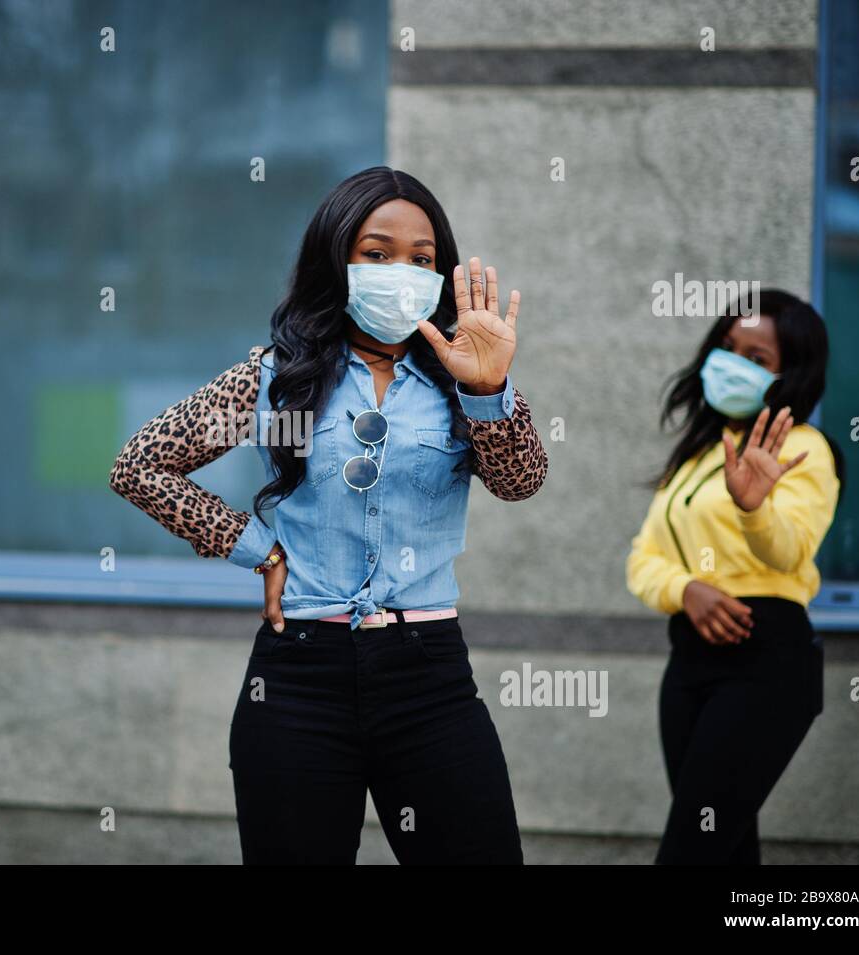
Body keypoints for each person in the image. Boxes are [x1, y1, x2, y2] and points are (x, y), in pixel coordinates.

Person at [110, 167, 548, 864]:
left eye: (421, 258)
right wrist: (259, 549)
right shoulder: (276, 377)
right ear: (336, 259)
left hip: (428, 676)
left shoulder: (461, 381)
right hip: (297, 678)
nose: (399, 271)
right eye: (376, 253)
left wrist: (489, 387)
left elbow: (522, 481)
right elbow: (138, 465)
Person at [626, 289, 842, 864]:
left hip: (765, 662)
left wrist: (754, 508)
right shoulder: (697, 454)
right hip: (689, 662)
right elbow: (642, 560)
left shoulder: (804, 450)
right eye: (728, 347)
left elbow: (788, 552)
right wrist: (686, 590)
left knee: (690, 853)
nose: (733, 364)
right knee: (728, 853)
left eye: (757, 358)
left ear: (789, 374)